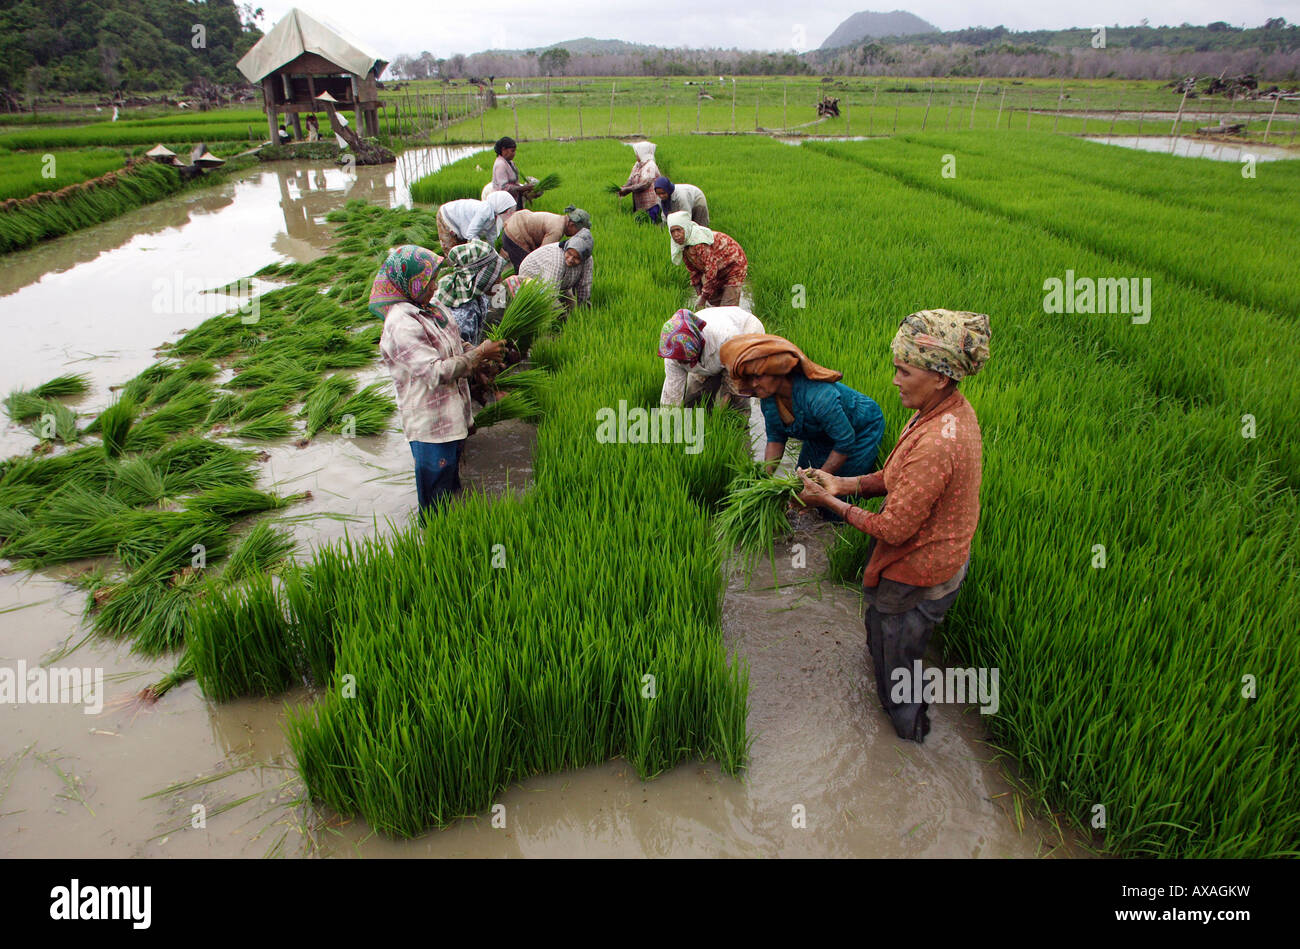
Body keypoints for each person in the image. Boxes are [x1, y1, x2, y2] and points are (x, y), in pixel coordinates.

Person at [796, 310, 991, 743]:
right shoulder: (932, 412)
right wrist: (843, 482)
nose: (895, 380)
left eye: (904, 371)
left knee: (901, 670)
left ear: (940, 376)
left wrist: (827, 500)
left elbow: (893, 529)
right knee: (884, 639)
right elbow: (895, 476)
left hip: (918, 572)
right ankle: (885, 676)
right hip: (914, 562)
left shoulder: (942, 440)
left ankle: (907, 740)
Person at [372, 245, 505, 517]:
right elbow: (434, 372)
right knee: (435, 503)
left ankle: (452, 533)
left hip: (453, 415)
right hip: (431, 426)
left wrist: (478, 360)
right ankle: (432, 544)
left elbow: (456, 344)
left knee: (451, 488)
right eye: (429, 280)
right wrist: (479, 354)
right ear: (411, 283)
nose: (435, 286)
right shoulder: (401, 324)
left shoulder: (431, 307)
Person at [721, 334, 884, 479]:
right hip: (819, 434)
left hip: (860, 430)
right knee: (801, 478)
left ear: (779, 370)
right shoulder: (769, 398)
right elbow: (776, 438)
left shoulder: (819, 397)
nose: (754, 384)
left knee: (839, 490)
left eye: (758, 376)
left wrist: (818, 480)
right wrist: (764, 477)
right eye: (749, 378)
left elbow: (845, 441)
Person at [658, 306, 765, 411]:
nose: (680, 362)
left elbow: (733, 379)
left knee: (736, 398)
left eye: (685, 359)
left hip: (745, 338)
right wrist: (668, 421)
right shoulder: (672, 354)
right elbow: (672, 394)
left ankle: (741, 426)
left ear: (695, 348)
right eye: (679, 359)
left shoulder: (726, 339)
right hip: (714, 347)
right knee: (694, 397)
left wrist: (723, 406)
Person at [431, 238, 509, 346]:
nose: (500, 280)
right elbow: (460, 354)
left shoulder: (474, 292)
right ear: (481, 280)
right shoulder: (463, 317)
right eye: (495, 276)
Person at [667, 211, 747, 309]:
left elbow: (711, 269)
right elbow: (693, 270)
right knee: (713, 303)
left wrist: (703, 298)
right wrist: (699, 294)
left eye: (679, 230)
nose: (676, 235)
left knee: (728, 309)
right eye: (672, 231)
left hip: (734, 266)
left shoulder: (698, 241)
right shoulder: (682, 244)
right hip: (718, 268)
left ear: (686, 228)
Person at [514, 228, 593, 313]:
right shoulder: (556, 258)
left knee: (572, 309)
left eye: (576, 258)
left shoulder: (588, 260)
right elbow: (550, 294)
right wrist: (561, 315)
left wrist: (585, 311)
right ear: (566, 248)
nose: (570, 259)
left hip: (559, 280)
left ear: (584, 258)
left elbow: (584, 285)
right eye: (569, 253)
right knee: (556, 312)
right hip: (533, 276)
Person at [501, 205, 590, 271]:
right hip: (516, 232)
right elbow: (541, 254)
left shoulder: (559, 221)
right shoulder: (557, 230)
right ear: (572, 225)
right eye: (577, 231)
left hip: (515, 224)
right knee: (526, 268)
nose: (575, 235)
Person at [435, 192, 516, 255]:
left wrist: (494, 252)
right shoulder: (485, 210)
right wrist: (483, 248)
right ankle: (454, 270)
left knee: (464, 249)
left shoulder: (495, 214)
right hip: (446, 215)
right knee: (454, 252)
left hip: (461, 219)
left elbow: (492, 236)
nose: (508, 213)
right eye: (507, 211)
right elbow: (471, 234)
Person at [490, 136, 533, 209]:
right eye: (512, 151)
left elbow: (515, 183)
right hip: (504, 204)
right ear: (503, 150)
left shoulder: (511, 163)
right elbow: (503, 188)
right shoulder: (500, 164)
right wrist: (522, 188)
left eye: (515, 151)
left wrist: (524, 191)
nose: (514, 153)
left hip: (514, 199)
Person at [618, 142, 661, 214]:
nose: (636, 155)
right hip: (638, 202)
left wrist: (627, 189)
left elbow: (645, 184)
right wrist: (623, 188)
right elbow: (631, 179)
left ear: (642, 153)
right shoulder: (637, 164)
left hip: (651, 204)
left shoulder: (651, 165)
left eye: (637, 153)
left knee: (649, 223)